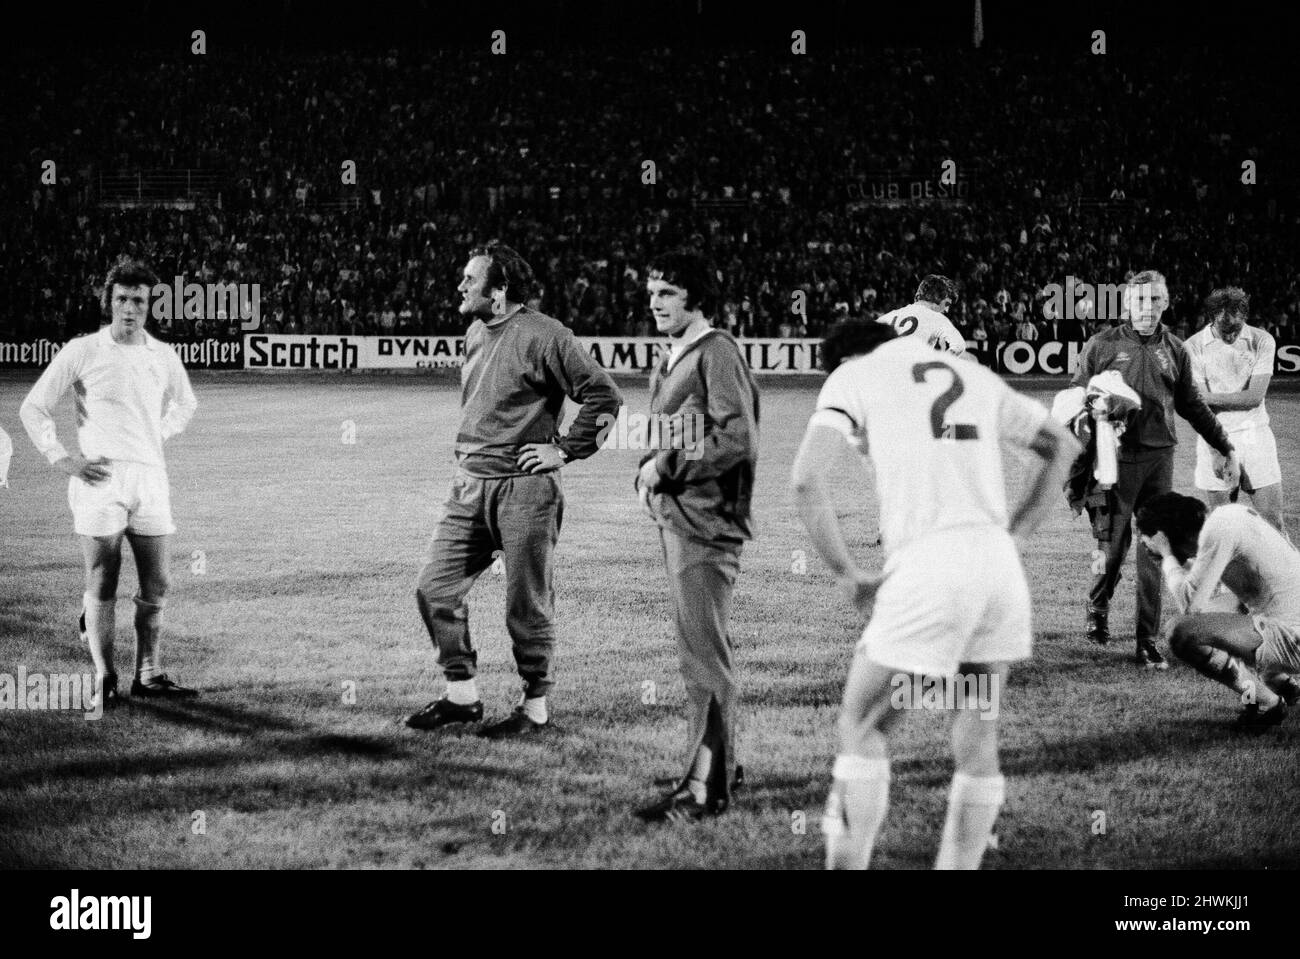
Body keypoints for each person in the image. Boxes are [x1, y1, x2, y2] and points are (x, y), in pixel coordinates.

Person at [792, 319, 1079, 870]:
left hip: (929, 569)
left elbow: (807, 480)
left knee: (863, 724)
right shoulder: (973, 375)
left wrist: (847, 573)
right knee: (975, 728)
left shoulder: (855, 374)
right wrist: (1016, 532)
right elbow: (1061, 445)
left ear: (846, 359)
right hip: (997, 572)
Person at [407, 241, 622, 737]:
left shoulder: (547, 335)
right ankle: (461, 696)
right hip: (469, 487)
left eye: (470, 279)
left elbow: (603, 395)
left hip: (525, 489)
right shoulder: (476, 331)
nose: (460, 285)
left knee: (525, 603)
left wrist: (565, 449)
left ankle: (535, 708)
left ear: (499, 291)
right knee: (434, 587)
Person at [19, 257, 199, 707]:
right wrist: (62, 459)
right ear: (109, 301)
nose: (130, 307)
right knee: (103, 578)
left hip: (151, 479)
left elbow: (186, 404)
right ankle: (105, 674)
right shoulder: (84, 350)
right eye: (122, 298)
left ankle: (150, 674)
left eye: (139, 299)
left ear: (151, 304)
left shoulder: (163, 355)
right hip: (99, 480)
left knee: (158, 582)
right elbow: (33, 406)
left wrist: (156, 433)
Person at [632, 250, 760, 824]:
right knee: (699, 654)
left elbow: (737, 438)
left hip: (707, 525)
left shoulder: (717, 351)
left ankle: (706, 789)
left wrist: (669, 469)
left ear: (696, 298)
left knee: (704, 661)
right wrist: (651, 464)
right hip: (682, 519)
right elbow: (678, 430)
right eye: (652, 291)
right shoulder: (681, 353)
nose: (654, 302)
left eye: (667, 293)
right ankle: (714, 764)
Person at [1073, 270, 1239, 667]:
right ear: (1127, 303)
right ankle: (1098, 608)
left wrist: (1225, 446)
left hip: (1159, 459)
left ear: (1167, 303)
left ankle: (1145, 639)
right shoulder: (1101, 346)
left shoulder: (1177, 350)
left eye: (1156, 300)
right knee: (1112, 551)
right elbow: (1075, 400)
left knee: (1155, 548)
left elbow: (1193, 406)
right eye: (1141, 300)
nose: (1148, 308)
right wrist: (1088, 423)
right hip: (1113, 462)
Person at [1136, 493, 1300, 730]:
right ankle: (1281, 683)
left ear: (1170, 536)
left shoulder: (1216, 533)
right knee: (1229, 614)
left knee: (1180, 632)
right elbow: (1220, 605)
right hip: (1289, 620)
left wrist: (1168, 556)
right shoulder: (1228, 516)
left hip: (1292, 635)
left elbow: (1190, 607)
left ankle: (1266, 703)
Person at [1184, 287, 1287, 538]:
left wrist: (1205, 398)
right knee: (1224, 529)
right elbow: (1199, 410)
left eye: (1236, 328)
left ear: (1245, 317)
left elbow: (1254, 397)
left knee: (1273, 523)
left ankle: (1291, 577)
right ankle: (1228, 578)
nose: (1230, 336)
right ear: (1212, 318)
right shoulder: (1193, 346)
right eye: (1224, 329)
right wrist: (1216, 451)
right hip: (1215, 437)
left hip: (1256, 436)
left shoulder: (1262, 340)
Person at [875, 275, 967, 357]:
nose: (947, 310)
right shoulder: (936, 317)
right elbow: (958, 346)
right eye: (946, 304)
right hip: (911, 372)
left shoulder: (887, 316)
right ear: (936, 296)